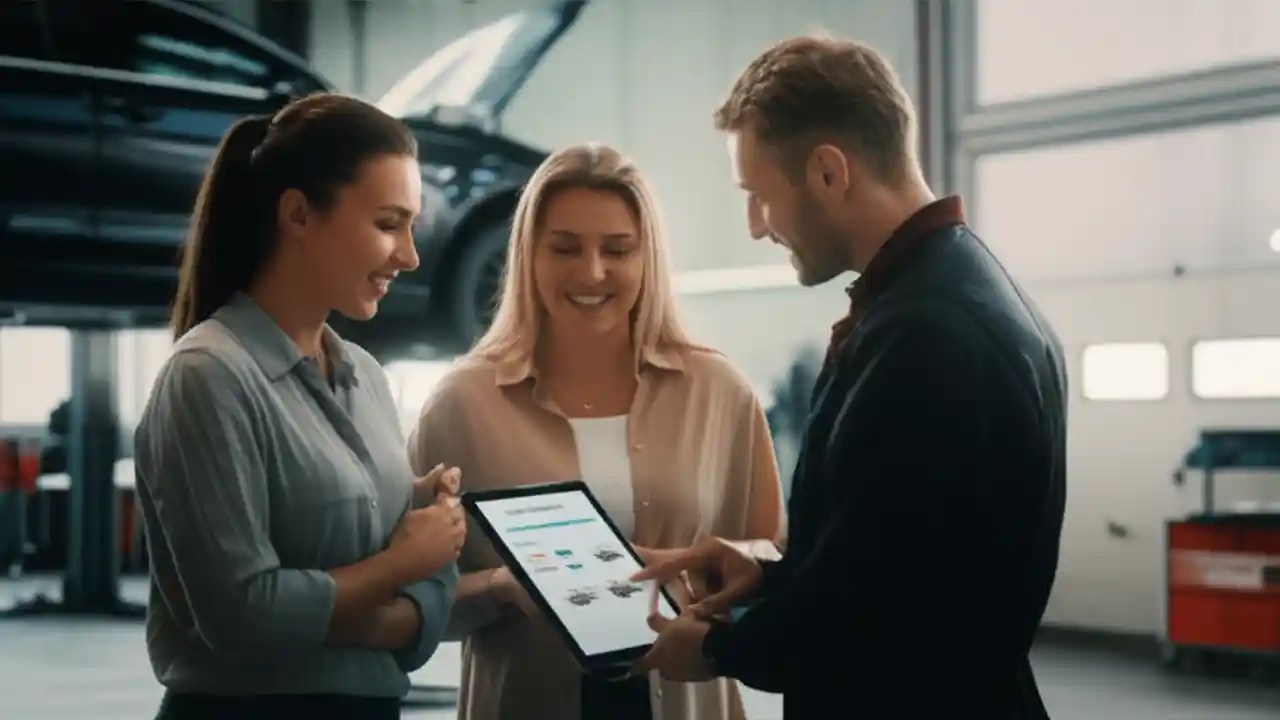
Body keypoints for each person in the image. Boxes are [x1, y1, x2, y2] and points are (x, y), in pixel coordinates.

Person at [632, 35, 1068, 719]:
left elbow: (871, 618)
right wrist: (771, 573)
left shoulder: (925, 338)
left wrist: (719, 649)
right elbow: (905, 561)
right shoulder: (970, 292)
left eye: (758, 195)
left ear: (829, 172)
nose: (755, 227)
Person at [407, 143, 786, 720]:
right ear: (528, 255)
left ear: (647, 259)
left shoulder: (721, 393)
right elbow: (411, 601)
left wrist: (711, 577)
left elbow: (773, 567)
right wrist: (503, 586)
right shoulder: (461, 404)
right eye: (565, 248)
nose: (591, 272)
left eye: (617, 250)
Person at [133, 93, 466, 720]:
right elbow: (242, 618)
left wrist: (414, 520)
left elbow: (431, 610)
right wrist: (401, 562)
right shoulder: (209, 376)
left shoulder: (365, 377)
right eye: (388, 224)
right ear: (298, 215)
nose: (411, 255)